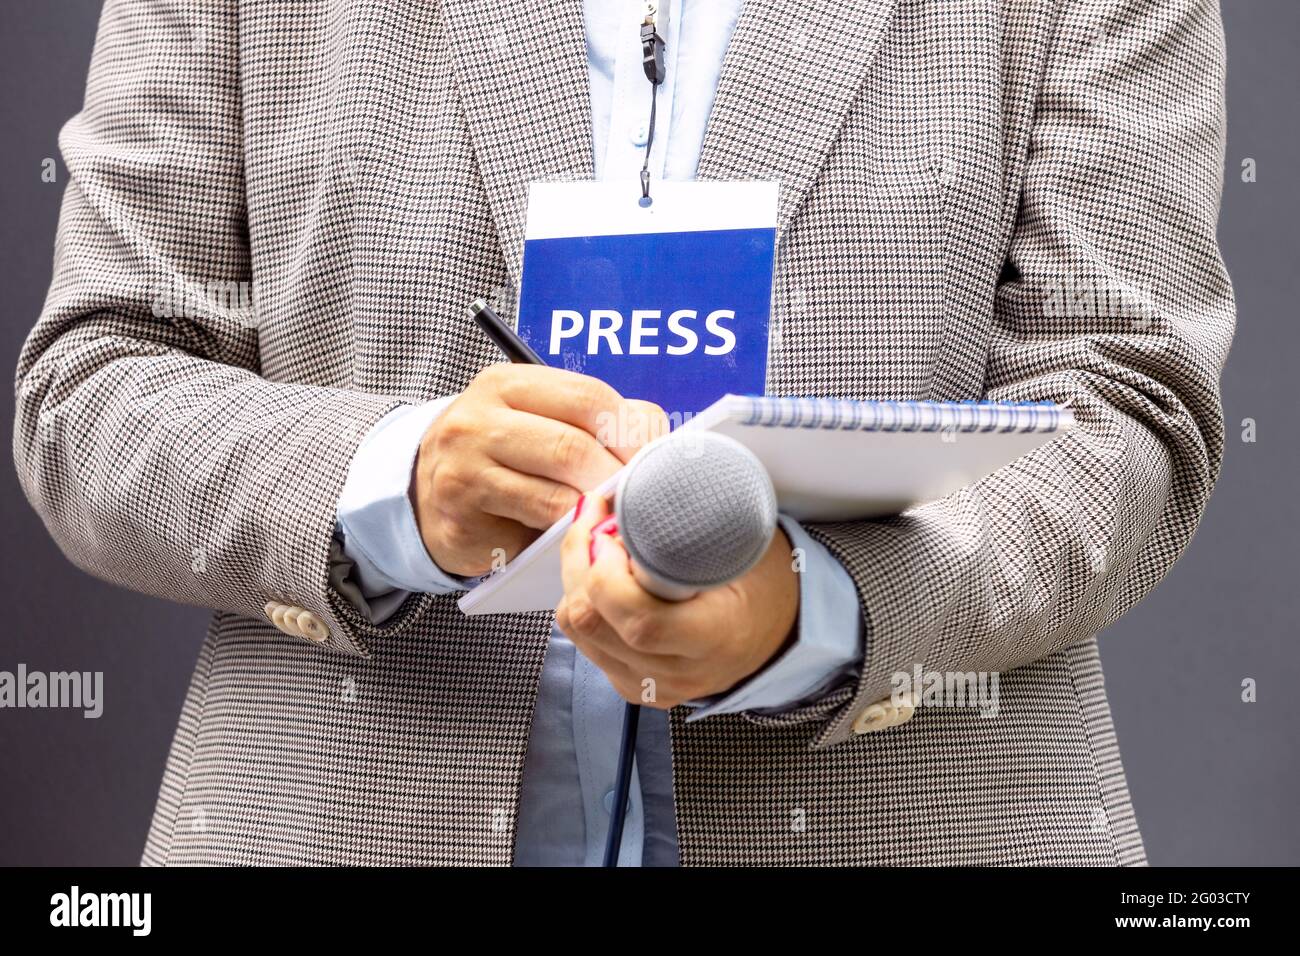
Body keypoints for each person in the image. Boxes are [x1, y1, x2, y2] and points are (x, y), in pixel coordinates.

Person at [14, 0, 1234, 866]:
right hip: (329, 817)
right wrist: (392, 477)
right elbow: (94, 386)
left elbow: (1126, 407)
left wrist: (818, 609)